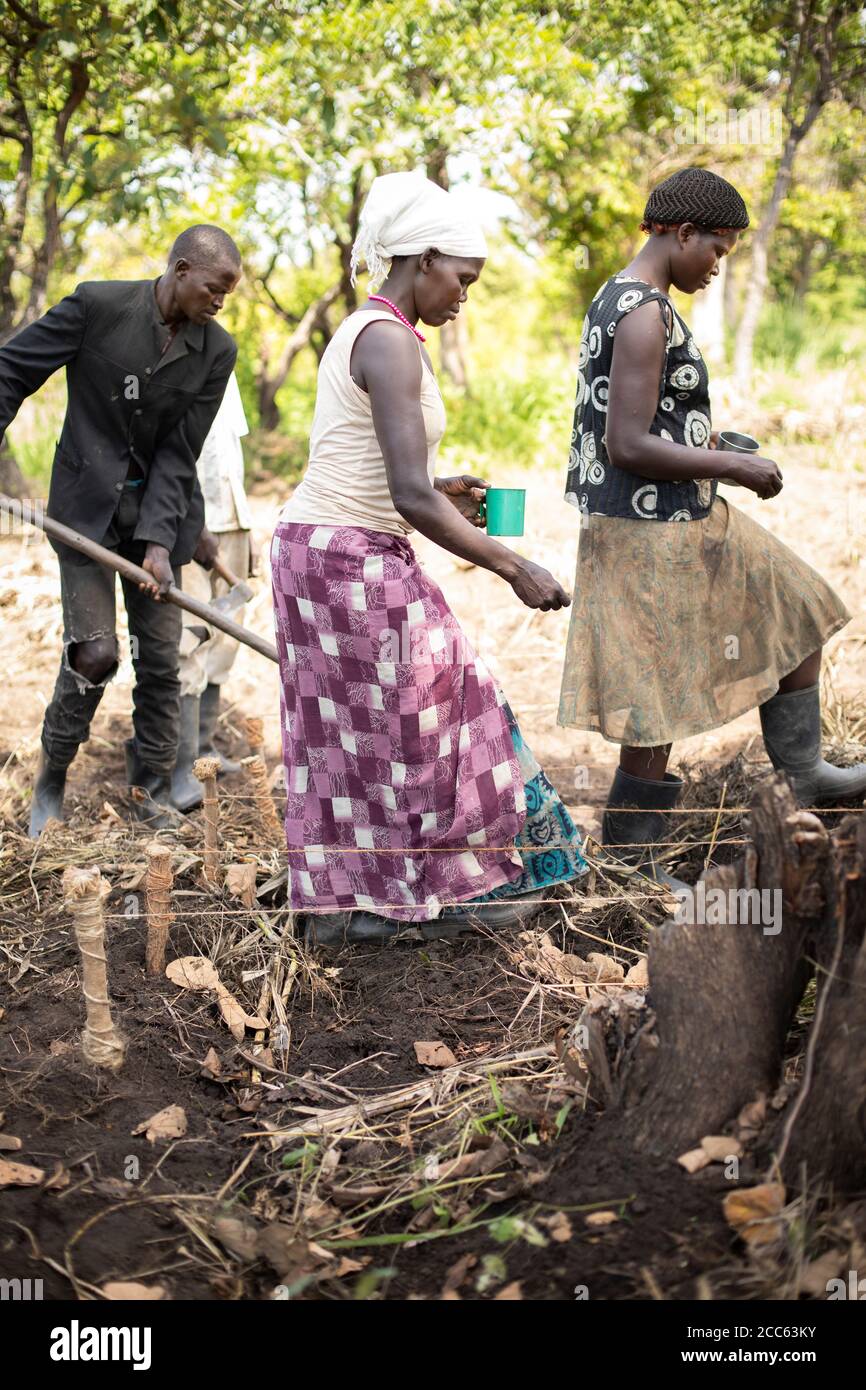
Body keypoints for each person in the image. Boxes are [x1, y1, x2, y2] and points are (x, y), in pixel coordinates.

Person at [271, 170, 587, 946]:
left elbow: (388, 471)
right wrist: (513, 565)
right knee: (436, 713)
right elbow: (409, 496)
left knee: (354, 730)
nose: (464, 298)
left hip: (318, 548)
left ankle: (355, 902)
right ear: (425, 258)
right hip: (348, 556)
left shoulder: (371, 332)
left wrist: (443, 486)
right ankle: (434, 891)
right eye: (464, 280)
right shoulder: (388, 341)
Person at [557, 167, 866, 892]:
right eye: (716, 248)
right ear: (680, 232)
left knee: (797, 604)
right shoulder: (640, 312)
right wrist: (733, 469)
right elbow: (626, 444)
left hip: (684, 512)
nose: (717, 264)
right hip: (646, 530)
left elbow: (649, 417)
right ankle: (634, 863)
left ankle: (804, 775)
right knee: (651, 696)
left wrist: (713, 443)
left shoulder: (630, 298)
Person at [0, 226, 241, 836]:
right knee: (96, 653)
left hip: (157, 518)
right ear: (181, 270)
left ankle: (152, 792)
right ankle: (50, 781)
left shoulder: (216, 351)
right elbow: (12, 370)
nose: (220, 302)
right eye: (215, 288)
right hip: (83, 508)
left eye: (228, 294)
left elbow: (179, 454)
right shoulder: (97, 306)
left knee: (161, 660)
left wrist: (160, 545)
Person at [171, 371, 256, 811]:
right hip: (192, 527)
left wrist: (245, 527)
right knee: (189, 644)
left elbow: (230, 451)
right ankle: (181, 766)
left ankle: (204, 748)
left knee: (224, 643)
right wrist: (192, 524)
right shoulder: (172, 363)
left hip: (232, 519)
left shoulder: (222, 358)